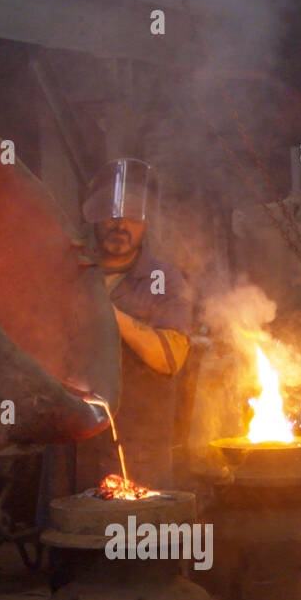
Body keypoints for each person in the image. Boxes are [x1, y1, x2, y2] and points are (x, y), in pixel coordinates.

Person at [76, 157, 193, 491]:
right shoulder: (69, 271)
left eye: (132, 215)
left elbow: (170, 358)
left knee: (134, 540)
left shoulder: (161, 279)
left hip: (136, 452)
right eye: (111, 212)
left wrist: (108, 313)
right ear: (95, 215)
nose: (120, 223)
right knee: (68, 535)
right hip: (71, 448)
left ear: (146, 223)